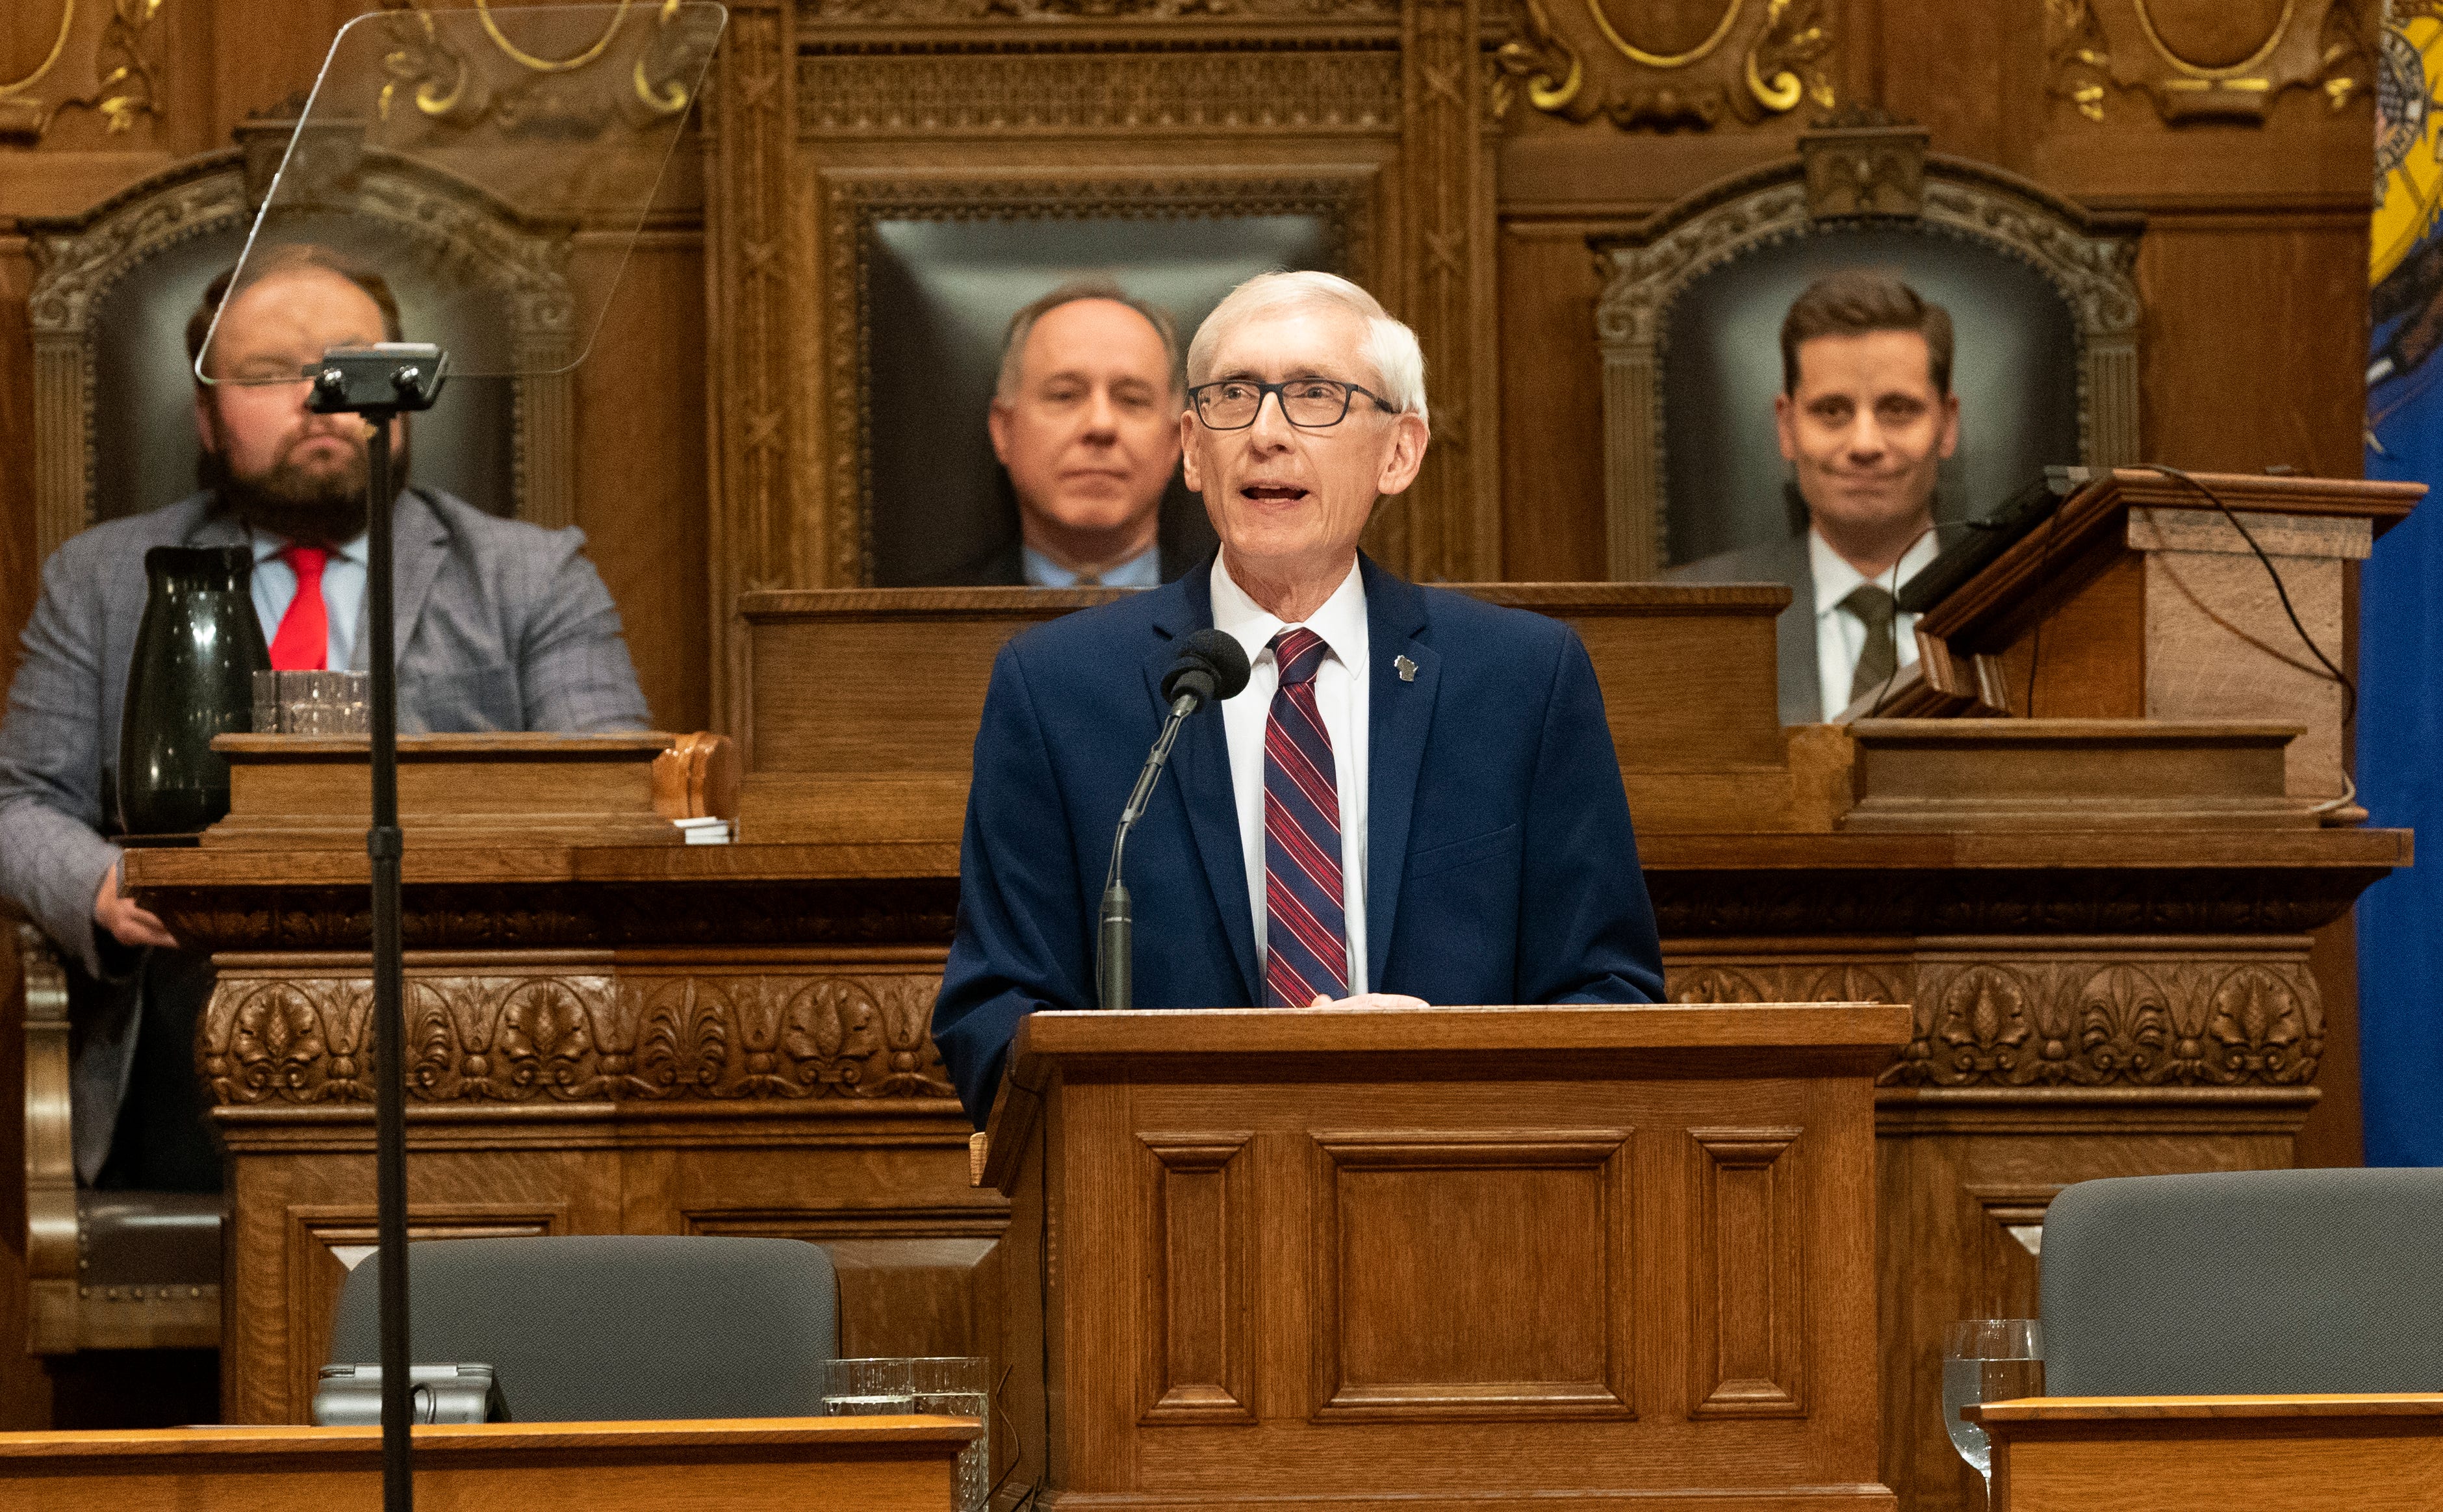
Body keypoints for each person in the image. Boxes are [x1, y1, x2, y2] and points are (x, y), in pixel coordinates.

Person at [931, 270, 1665, 1125]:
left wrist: (1454, 1062)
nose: (1267, 433)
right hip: (1166, 1204)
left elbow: (1609, 994)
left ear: (1401, 450)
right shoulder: (1059, 687)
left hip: (1457, 1195)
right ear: (1193, 450)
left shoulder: (1522, 678)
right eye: (1234, 396)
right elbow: (990, 1010)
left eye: (1315, 395)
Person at [0, 243, 650, 1190]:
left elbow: (617, 796)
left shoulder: (528, 575)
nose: (319, 397)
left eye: (354, 367)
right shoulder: (102, 579)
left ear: (406, 397)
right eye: (270, 373)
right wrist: (105, 884)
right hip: (197, 1003)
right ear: (207, 418)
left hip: (462, 1006)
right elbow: (17, 801)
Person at [1668, 270, 1961, 723]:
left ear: (1947, 423)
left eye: (1898, 409)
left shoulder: (2033, 608)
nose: (1865, 444)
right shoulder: (1687, 621)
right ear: (1787, 427)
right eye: (1831, 411)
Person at [934, 279, 1201, 587]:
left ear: (1176, 442)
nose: (1100, 425)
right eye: (1065, 395)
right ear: (1004, 431)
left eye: (1132, 400)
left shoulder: (1231, 617)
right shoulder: (917, 624)